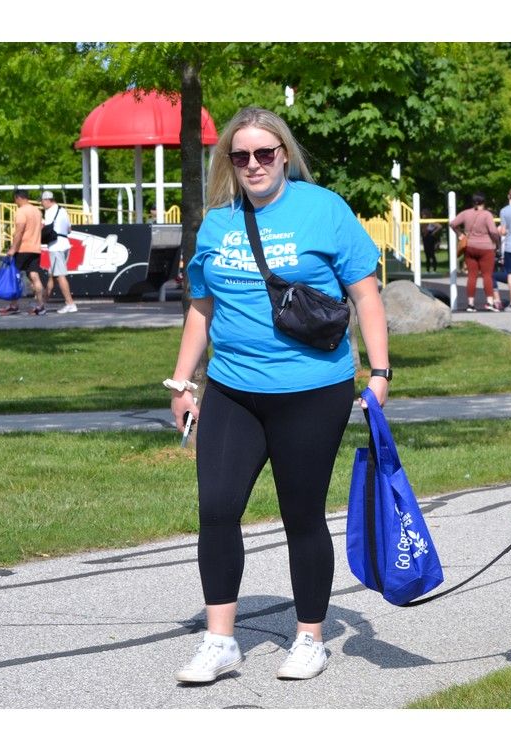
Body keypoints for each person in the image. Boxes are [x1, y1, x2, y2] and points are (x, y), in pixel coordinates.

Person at [167, 106, 390, 684]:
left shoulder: (325, 210)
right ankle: (221, 641)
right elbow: (201, 307)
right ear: (229, 162)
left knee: (302, 516)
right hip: (231, 389)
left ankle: (310, 638)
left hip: (312, 390)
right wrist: (183, 382)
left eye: (264, 153)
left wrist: (380, 372)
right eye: (241, 155)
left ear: (284, 155)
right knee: (217, 510)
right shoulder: (217, 224)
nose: (254, 164)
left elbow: (366, 295)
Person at [451, 192, 501, 311]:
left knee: (472, 276)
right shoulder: (487, 215)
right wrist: (497, 243)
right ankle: (489, 302)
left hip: (470, 247)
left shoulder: (465, 213)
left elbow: (452, 224)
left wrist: (460, 234)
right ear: (484, 202)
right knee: (487, 276)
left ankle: (470, 304)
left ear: (473, 202)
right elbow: (493, 231)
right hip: (486, 248)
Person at [0, 189, 45, 316]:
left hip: (23, 248)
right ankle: (41, 306)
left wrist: (13, 248)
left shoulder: (21, 211)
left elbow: (19, 231)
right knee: (35, 276)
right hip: (35, 248)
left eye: (15, 199)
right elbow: (41, 227)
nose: (15, 202)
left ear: (18, 198)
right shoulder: (37, 211)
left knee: (14, 275)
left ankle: (14, 305)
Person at [40, 190, 77, 314]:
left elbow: (45, 227)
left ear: (47, 200)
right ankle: (42, 303)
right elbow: (69, 229)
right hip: (65, 244)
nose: (41, 204)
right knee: (53, 275)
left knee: (60, 276)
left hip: (56, 246)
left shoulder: (49, 211)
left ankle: (70, 303)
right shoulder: (62, 210)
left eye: (42, 201)